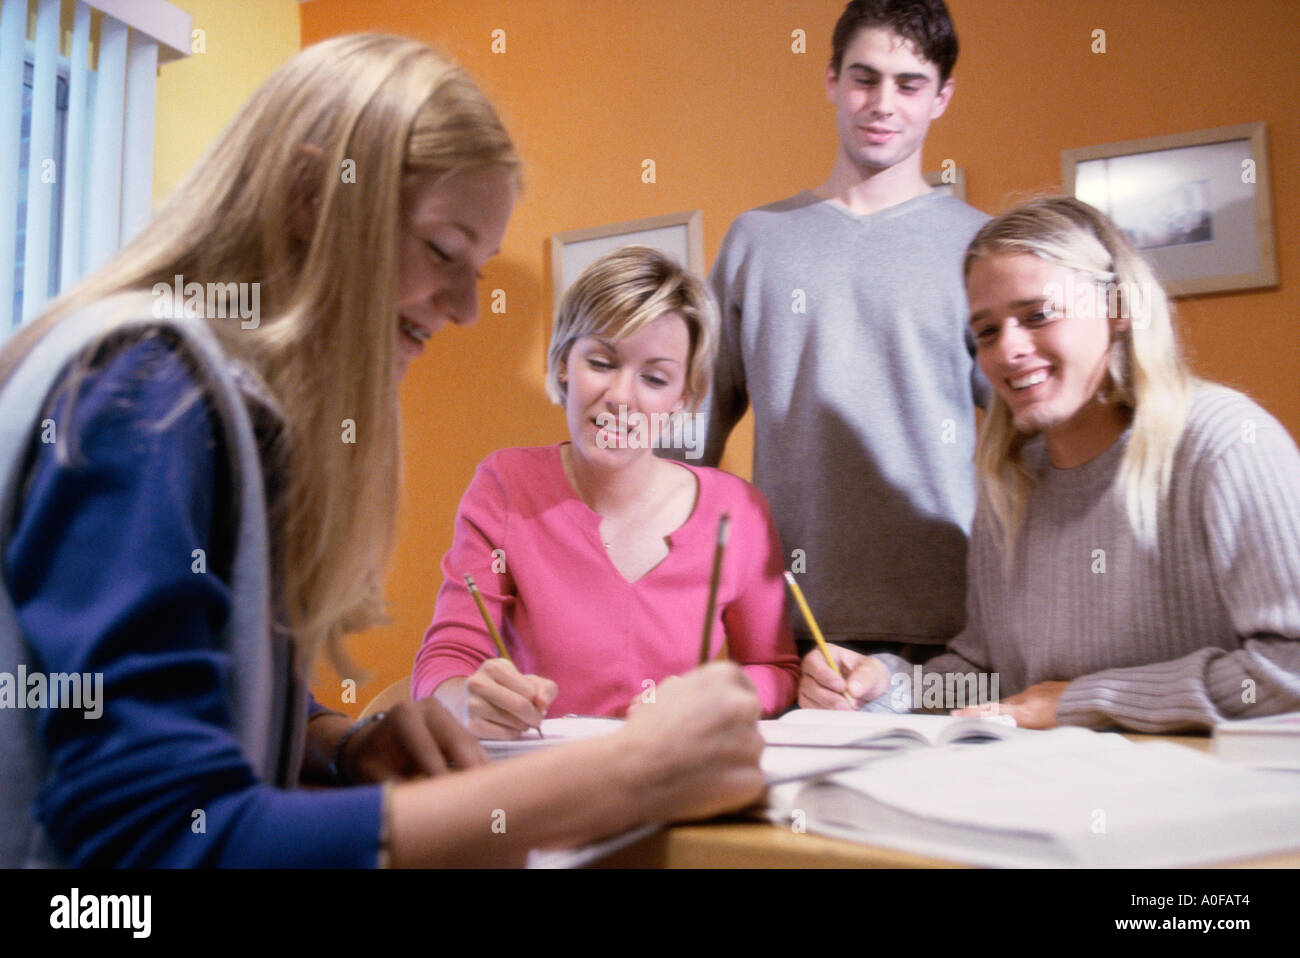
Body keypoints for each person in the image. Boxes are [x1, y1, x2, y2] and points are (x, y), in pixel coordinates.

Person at [0, 34, 765, 869]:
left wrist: (339, 744)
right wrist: (624, 776)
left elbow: (206, 700)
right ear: (306, 194)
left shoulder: (216, 400)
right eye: (442, 252)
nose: (469, 309)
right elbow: (154, 842)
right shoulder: (147, 392)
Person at [801, 196, 1300, 731]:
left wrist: (1085, 700)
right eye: (986, 332)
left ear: (1119, 309)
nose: (1006, 350)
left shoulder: (1227, 443)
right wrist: (883, 684)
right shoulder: (1010, 483)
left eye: (1038, 315)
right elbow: (993, 681)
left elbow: (1287, 669)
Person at [694, 0, 989, 703]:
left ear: (942, 96)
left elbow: (1039, 434)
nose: (883, 103)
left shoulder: (984, 247)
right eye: (864, 78)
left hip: (953, 630)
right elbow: (688, 439)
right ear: (830, 79)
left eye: (910, 84)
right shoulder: (756, 240)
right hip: (785, 628)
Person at [412, 246, 800, 736]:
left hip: (677, 781)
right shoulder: (505, 485)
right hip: (551, 785)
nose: (620, 397)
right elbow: (446, 660)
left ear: (684, 397)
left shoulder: (738, 511)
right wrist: (463, 701)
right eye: (601, 361)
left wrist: (724, 698)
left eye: (654, 378)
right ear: (562, 365)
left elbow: (777, 670)